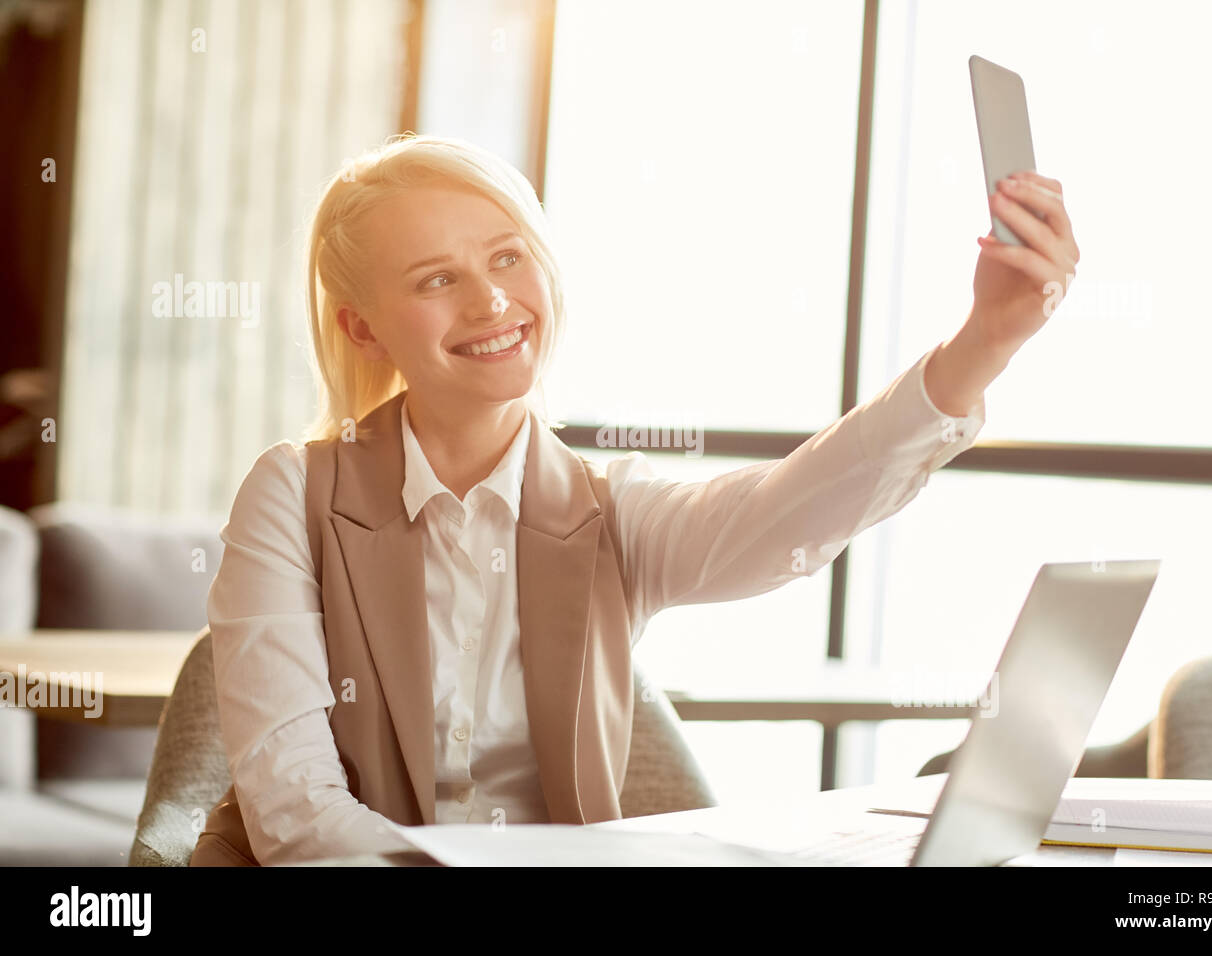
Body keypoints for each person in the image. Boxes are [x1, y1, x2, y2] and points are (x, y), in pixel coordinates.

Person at [190, 133, 1079, 865]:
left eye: (507, 256)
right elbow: (297, 816)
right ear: (361, 325)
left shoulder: (609, 513)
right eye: (435, 279)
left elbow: (785, 514)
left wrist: (984, 343)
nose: (492, 298)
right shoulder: (293, 495)